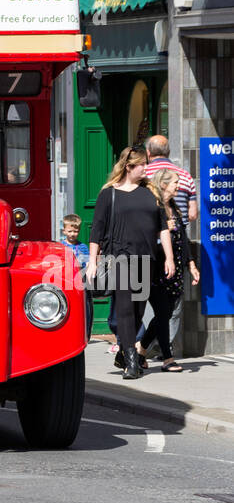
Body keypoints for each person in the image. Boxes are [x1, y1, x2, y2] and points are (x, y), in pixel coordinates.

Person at [86, 145, 174, 380]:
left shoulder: (151, 192)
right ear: (128, 167)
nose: (146, 168)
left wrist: (170, 258)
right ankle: (132, 361)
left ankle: (123, 355)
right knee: (125, 309)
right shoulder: (109, 193)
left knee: (137, 310)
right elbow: (96, 230)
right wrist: (92, 261)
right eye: (142, 164)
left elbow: (163, 228)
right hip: (120, 257)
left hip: (147, 259)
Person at [136, 169, 199, 373]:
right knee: (163, 313)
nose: (178, 187)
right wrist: (161, 231)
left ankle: (141, 349)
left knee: (166, 313)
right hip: (157, 269)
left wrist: (191, 265)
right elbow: (142, 236)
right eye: (174, 183)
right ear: (163, 184)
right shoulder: (153, 207)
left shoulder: (174, 207)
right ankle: (167, 358)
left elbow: (183, 239)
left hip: (175, 270)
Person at [142, 134, 197, 353]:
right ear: (169, 152)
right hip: (174, 247)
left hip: (151, 251)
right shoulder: (185, 175)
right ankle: (165, 347)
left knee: (150, 303)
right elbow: (192, 214)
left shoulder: (140, 175)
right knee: (170, 306)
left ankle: (149, 345)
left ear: (148, 153)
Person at [60, 214, 91, 336]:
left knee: (82, 307)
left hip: (80, 281)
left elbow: (88, 262)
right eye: (70, 231)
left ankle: (84, 331)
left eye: (75, 231)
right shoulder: (61, 246)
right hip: (67, 281)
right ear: (64, 231)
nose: (72, 234)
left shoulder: (82, 247)